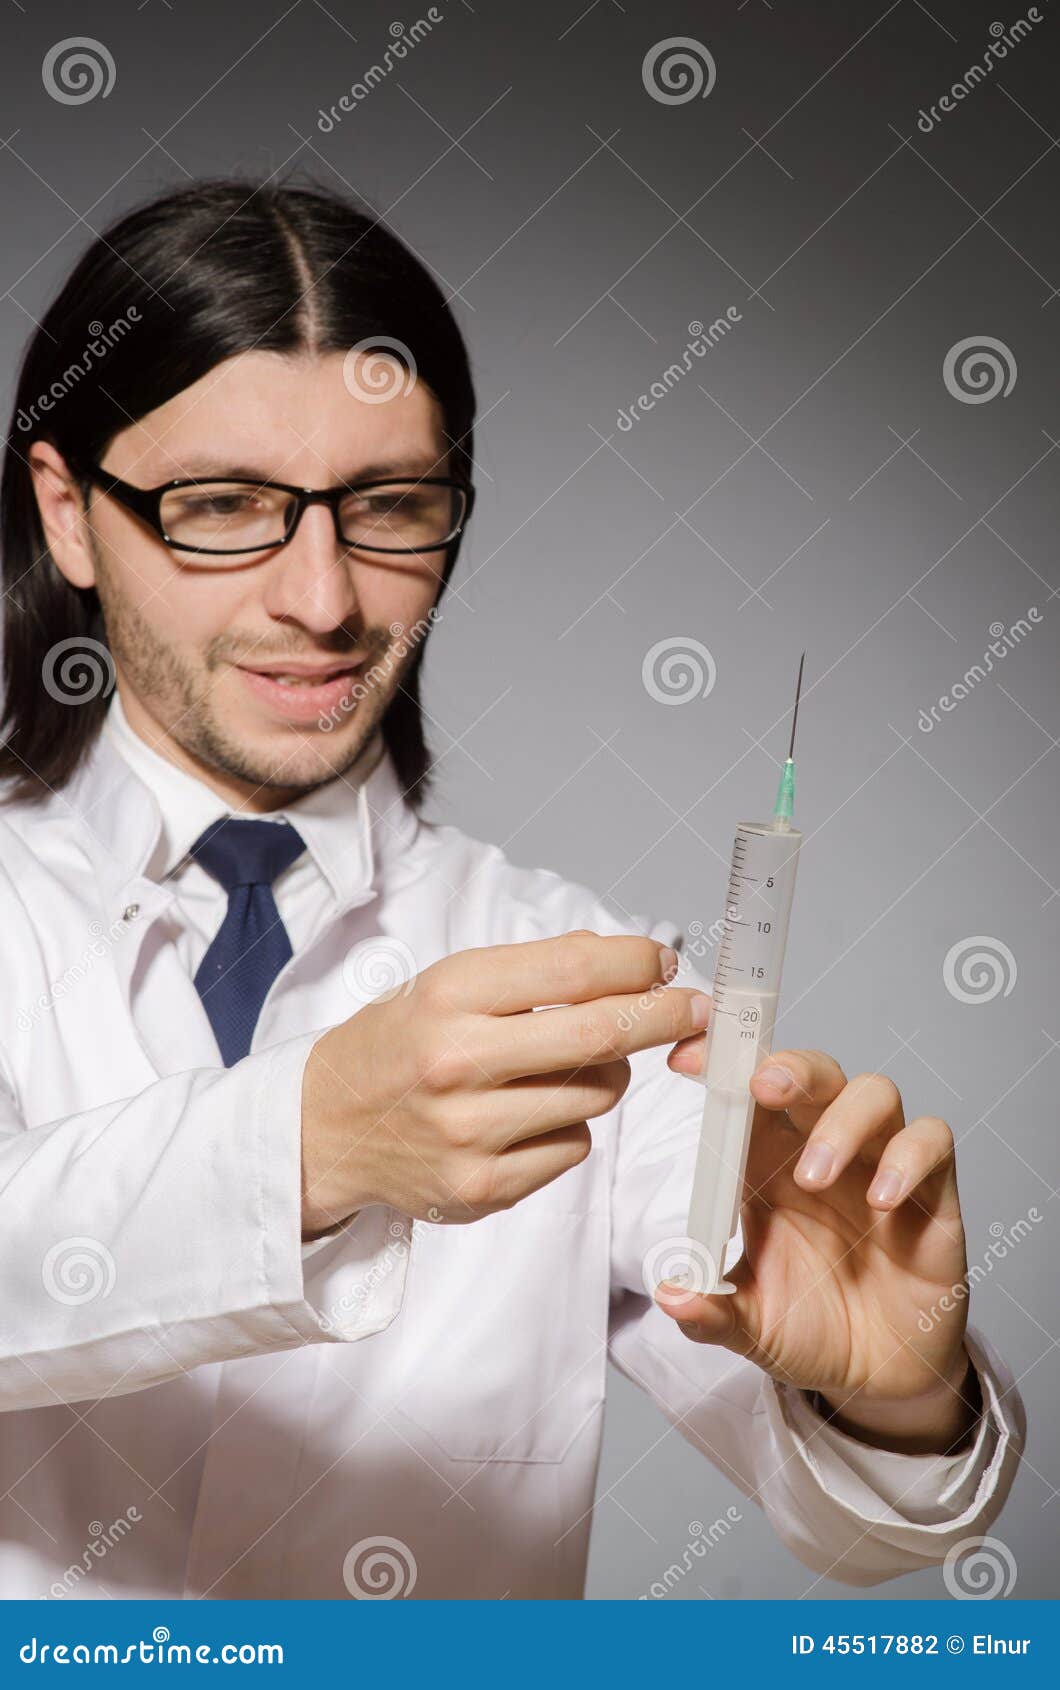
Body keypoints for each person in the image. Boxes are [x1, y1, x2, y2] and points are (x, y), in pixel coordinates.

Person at [0, 179, 1022, 1601]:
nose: (323, 597)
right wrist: (311, 1140)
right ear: (68, 513)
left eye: (390, 508)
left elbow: (870, 1528)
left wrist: (897, 1394)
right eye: (223, 506)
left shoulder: (586, 974)